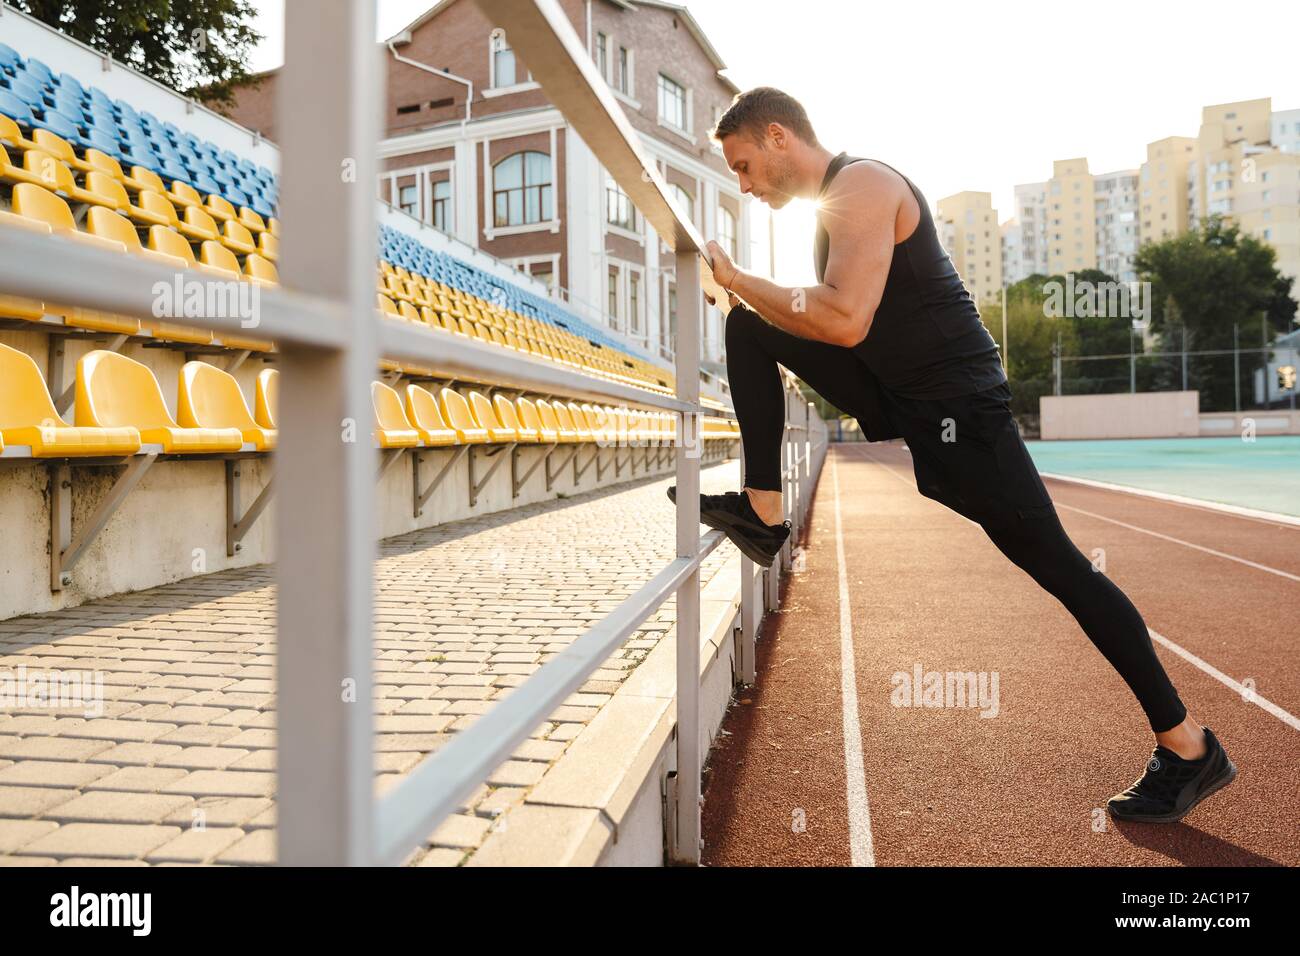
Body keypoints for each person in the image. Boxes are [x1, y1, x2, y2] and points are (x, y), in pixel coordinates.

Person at [670, 86, 1236, 823]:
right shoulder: (835, 208)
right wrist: (747, 301)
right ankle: (762, 510)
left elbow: (842, 319)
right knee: (748, 331)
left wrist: (740, 280)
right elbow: (828, 318)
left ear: (779, 137)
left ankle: (1190, 748)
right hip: (908, 398)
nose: (743, 186)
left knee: (1064, 569)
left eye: (744, 166)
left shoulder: (865, 185)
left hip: (963, 414)